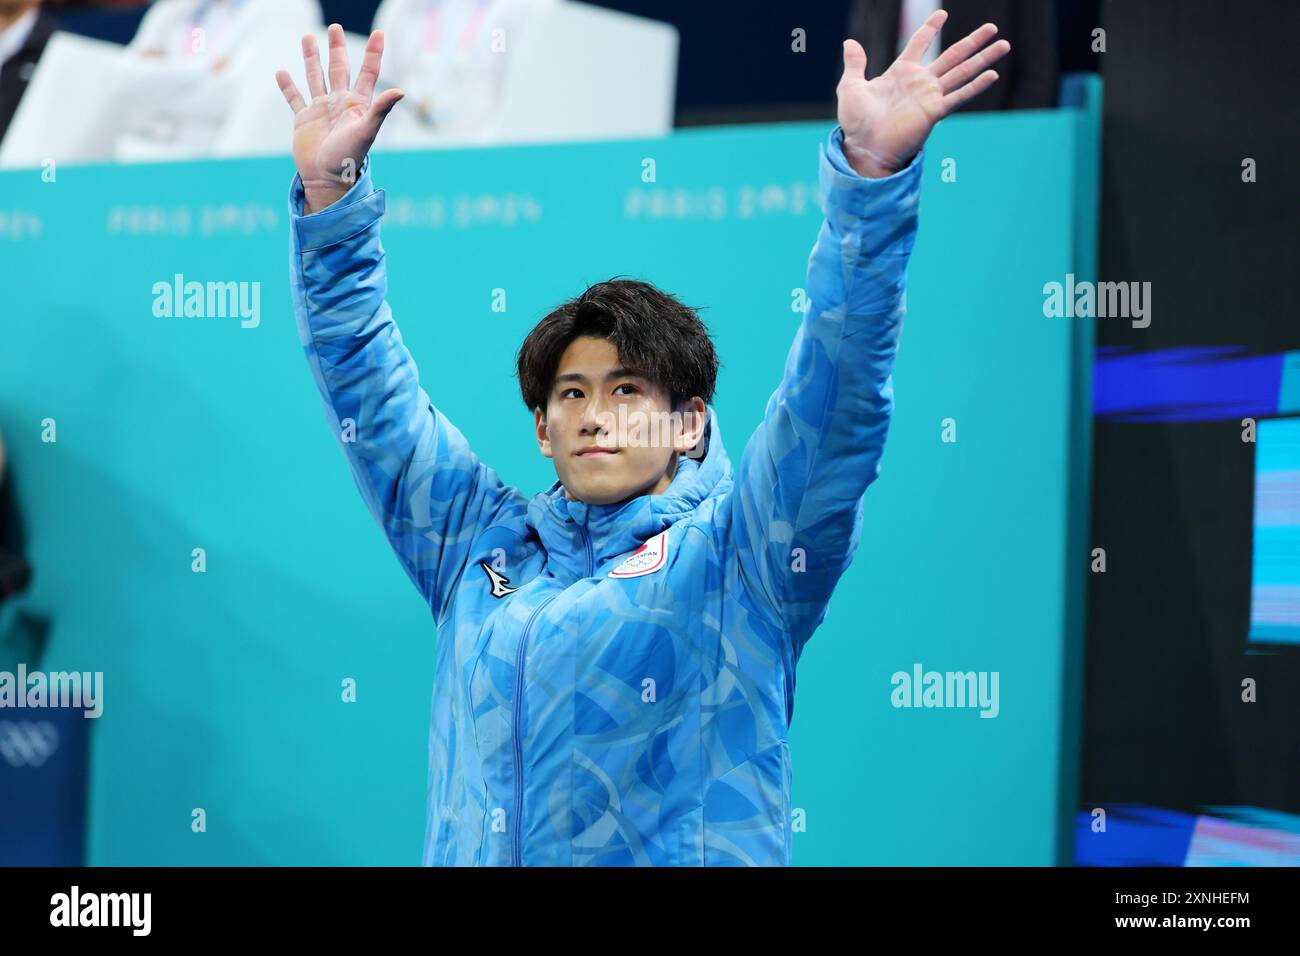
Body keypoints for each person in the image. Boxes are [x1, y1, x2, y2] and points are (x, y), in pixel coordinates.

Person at [276, 12, 1007, 865]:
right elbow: (366, 379)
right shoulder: (475, 547)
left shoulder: (744, 553)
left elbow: (836, 394)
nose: (594, 414)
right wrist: (333, 202)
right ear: (542, 429)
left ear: (689, 420)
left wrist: (871, 182)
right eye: (572, 394)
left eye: (628, 391)